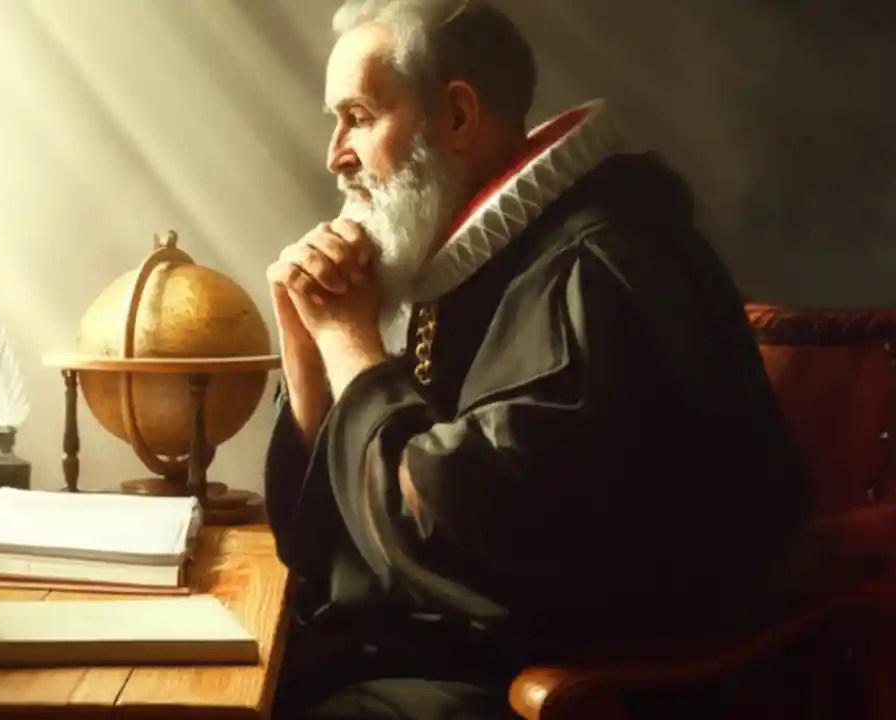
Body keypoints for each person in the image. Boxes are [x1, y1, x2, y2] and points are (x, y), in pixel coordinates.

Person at [263, 1, 814, 718]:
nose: (335, 155)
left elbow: (452, 538)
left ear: (457, 115)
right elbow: (324, 553)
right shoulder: (483, 256)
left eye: (359, 118)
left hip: (590, 689)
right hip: (470, 658)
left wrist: (347, 339)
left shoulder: (599, 266)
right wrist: (308, 356)